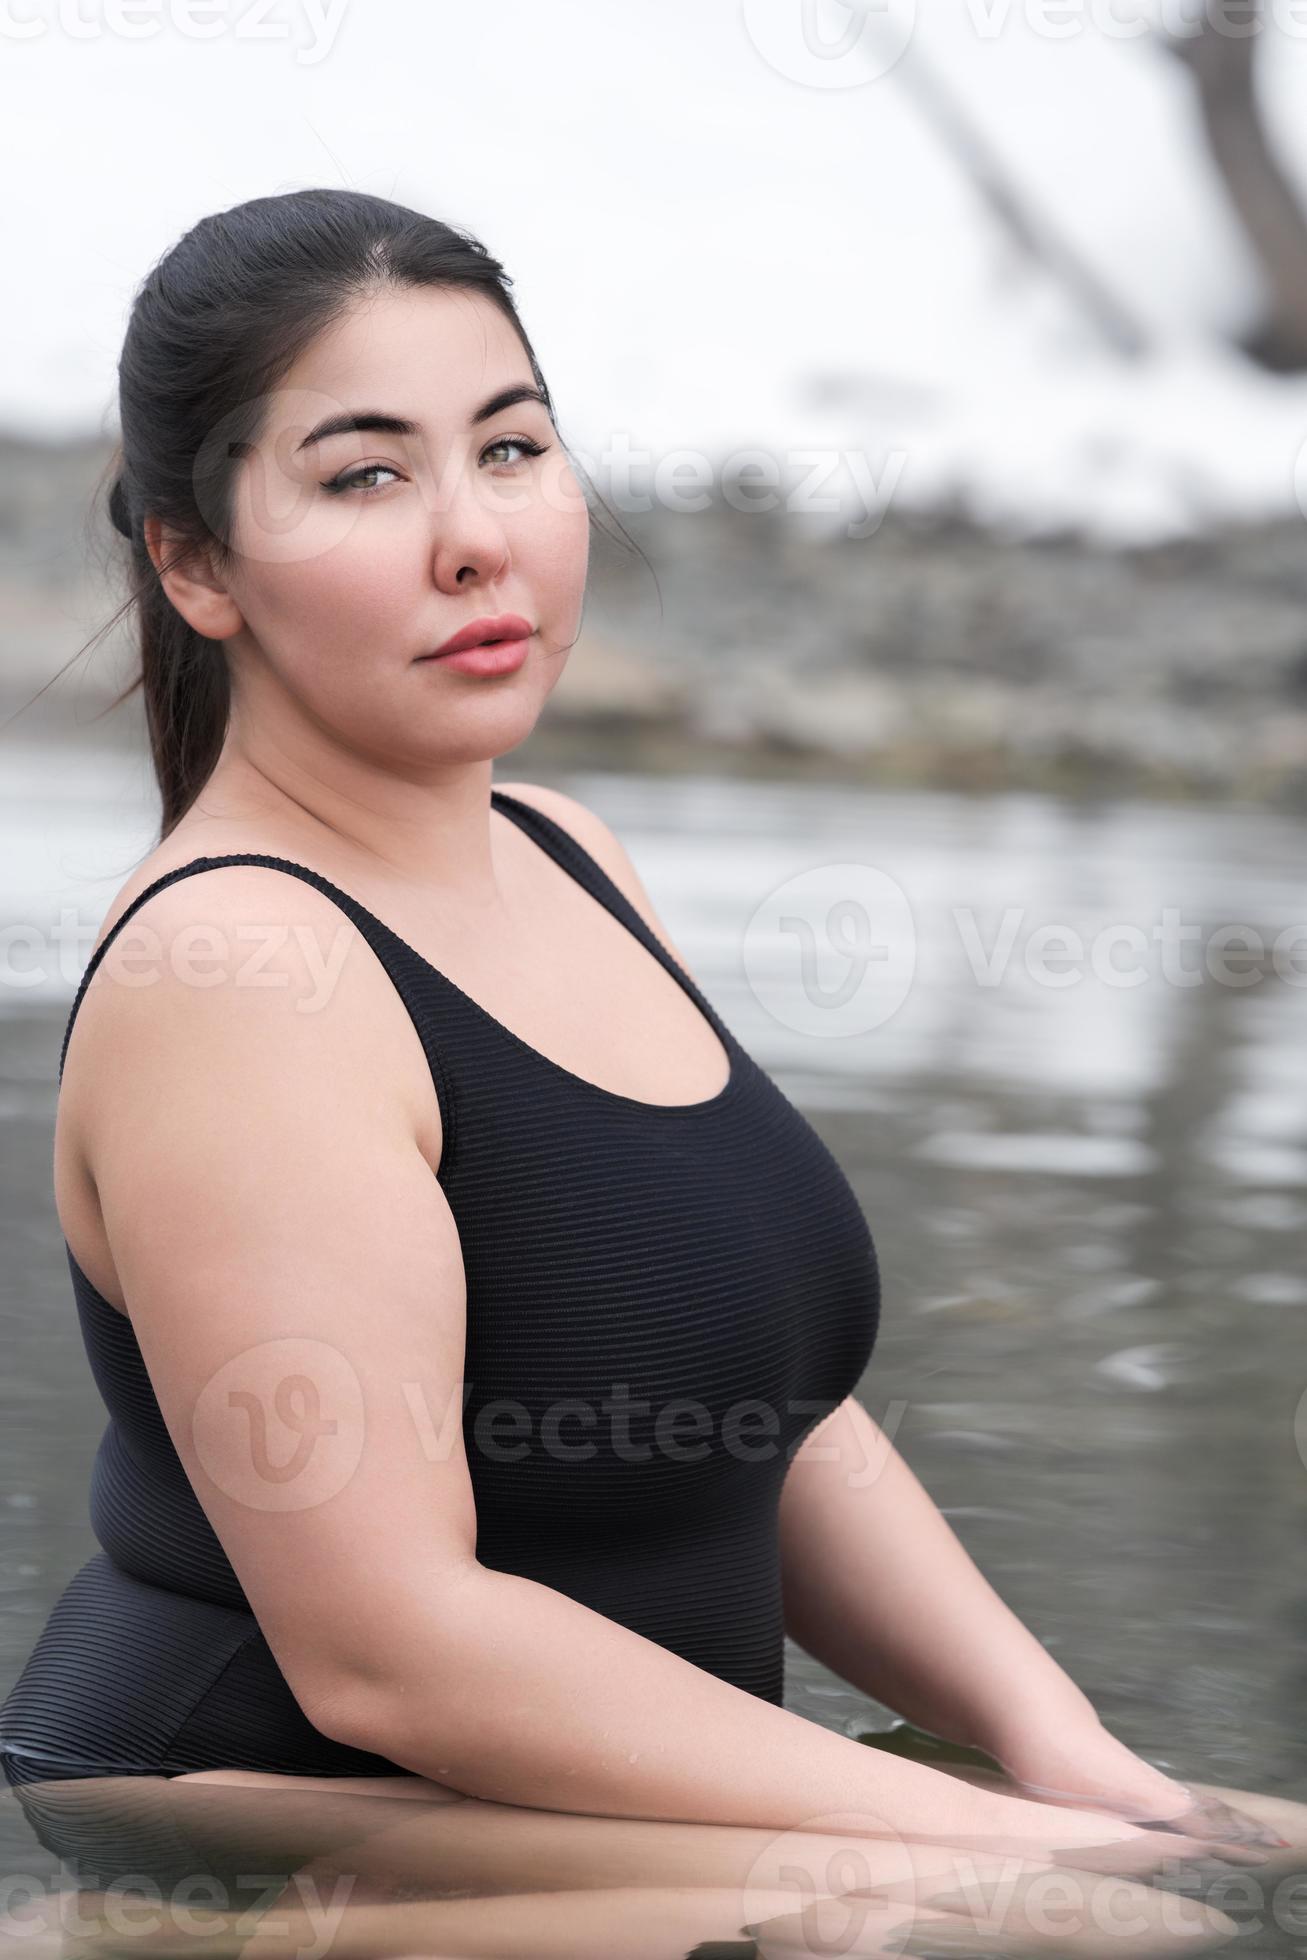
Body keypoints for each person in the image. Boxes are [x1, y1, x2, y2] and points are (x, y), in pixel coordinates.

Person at [0, 189, 1280, 1875]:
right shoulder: (238, 975)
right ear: (193, 561)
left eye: (512, 449)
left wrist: (1081, 1768)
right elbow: (388, 1650)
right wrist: (988, 1861)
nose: (477, 537)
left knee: (1245, 1860)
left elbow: (771, 1414)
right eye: (365, 475)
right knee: (1101, 1922)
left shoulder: (567, 854)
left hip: (591, 1810)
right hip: (262, 1831)